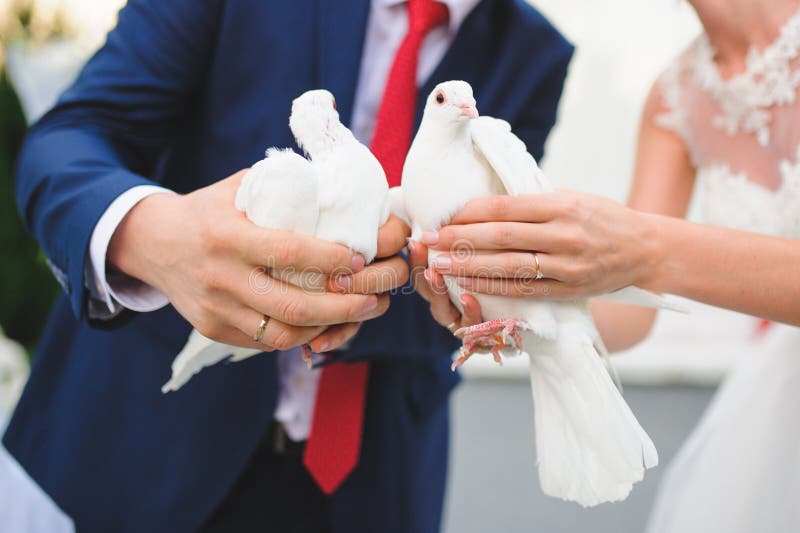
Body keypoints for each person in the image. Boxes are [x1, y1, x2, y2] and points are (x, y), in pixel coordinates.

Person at [4, 0, 573, 531]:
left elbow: (478, 249)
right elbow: (68, 139)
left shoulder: (534, 53)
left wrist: (437, 284)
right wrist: (156, 236)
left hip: (374, 481)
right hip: (139, 439)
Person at [416, 0, 800, 531]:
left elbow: (641, 253)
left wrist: (645, 247)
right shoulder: (678, 94)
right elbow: (629, 314)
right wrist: (530, 297)